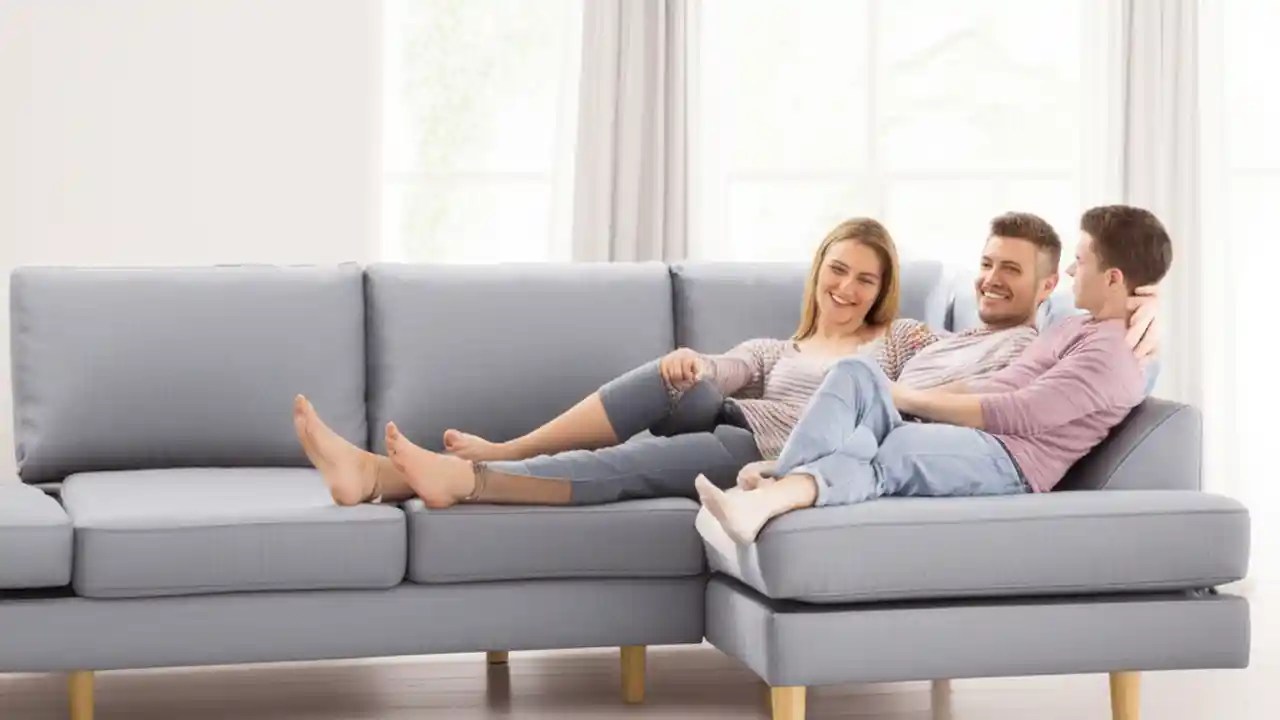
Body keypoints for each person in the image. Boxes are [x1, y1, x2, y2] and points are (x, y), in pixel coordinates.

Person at [295, 217, 933, 507]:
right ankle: (507, 451)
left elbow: (967, 373)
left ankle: (389, 477)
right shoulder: (778, 350)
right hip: (733, 413)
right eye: (838, 270)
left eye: (865, 281)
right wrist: (695, 364)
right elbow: (728, 369)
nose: (846, 289)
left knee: (630, 465)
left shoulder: (897, 341)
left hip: (766, 455)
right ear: (819, 271)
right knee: (675, 376)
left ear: (884, 291)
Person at [695, 205, 1171, 545]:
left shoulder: (1117, 356)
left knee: (895, 446)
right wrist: (895, 397)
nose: (1071, 269)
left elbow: (1020, 413)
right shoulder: (1074, 325)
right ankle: (782, 478)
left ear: (1112, 278)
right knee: (856, 371)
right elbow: (1003, 383)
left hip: (1013, 460)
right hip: (981, 436)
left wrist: (908, 401)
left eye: (1081, 260)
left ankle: (768, 498)